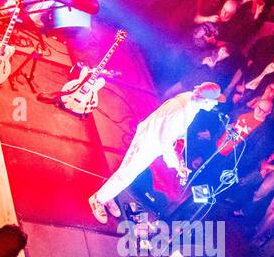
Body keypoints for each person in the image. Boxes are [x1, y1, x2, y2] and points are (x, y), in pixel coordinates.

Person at [88, 82, 222, 223]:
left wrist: (179, 158)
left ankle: (108, 194)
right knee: (127, 173)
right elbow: (166, 143)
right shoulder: (181, 110)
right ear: (206, 100)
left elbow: (176, 134)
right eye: (214, 102)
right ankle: (98, 199)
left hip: (153, 140)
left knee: (129, 173)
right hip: (149, 142)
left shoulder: (191, 102)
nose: (215, 106)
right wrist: (177, 166)